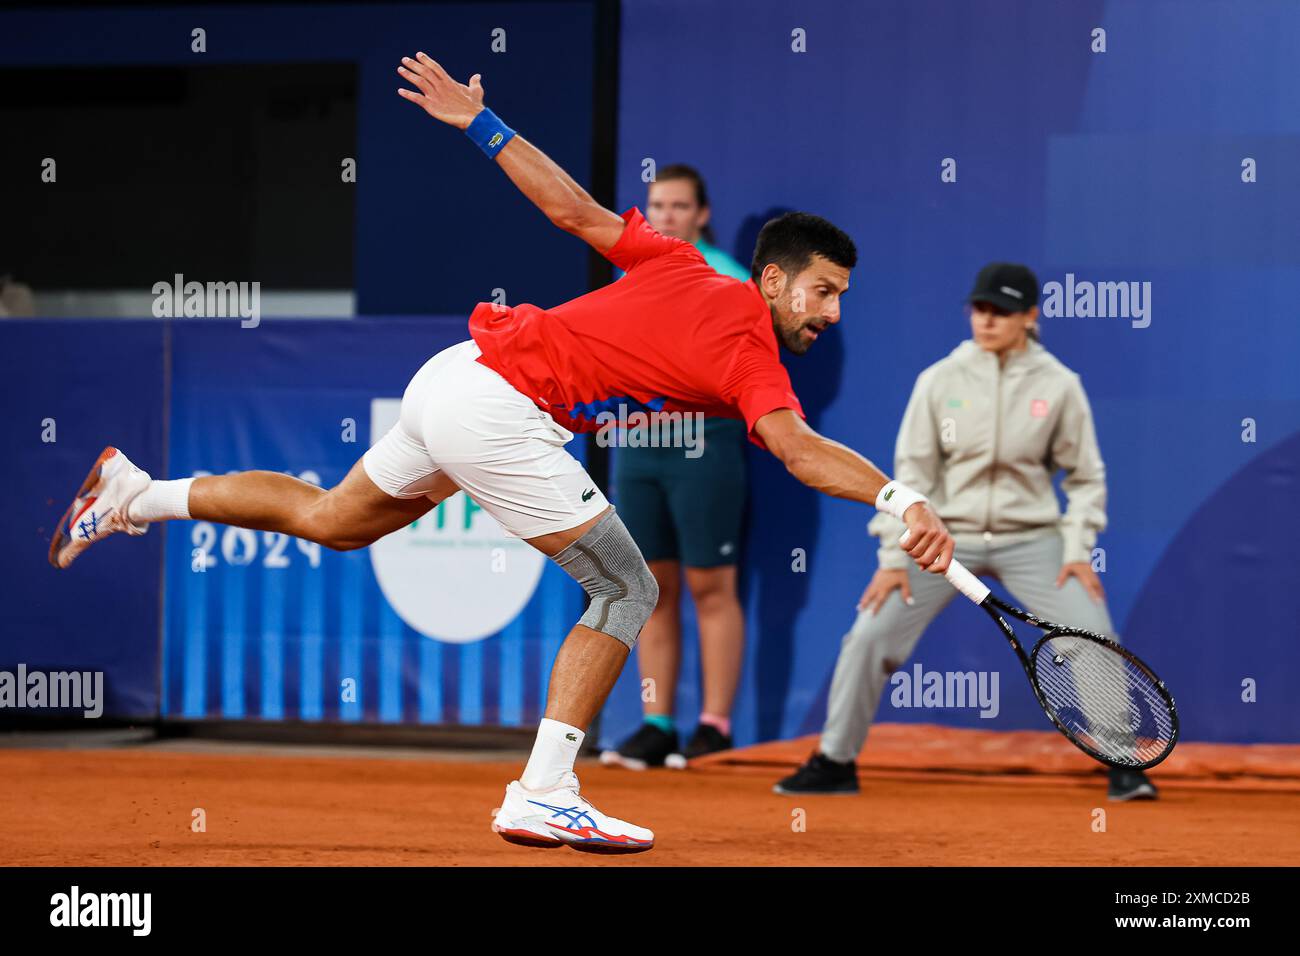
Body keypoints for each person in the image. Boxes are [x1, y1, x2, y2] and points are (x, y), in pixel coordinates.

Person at [49, 53, 956, 854]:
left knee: (333, 520)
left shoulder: (682, 263)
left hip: (456, 374)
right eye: (823, 292)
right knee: (628, 587)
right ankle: (545, 791)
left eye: (840, 298)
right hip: (500, 411)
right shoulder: (748, 342)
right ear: (774, 278)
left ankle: (137, 493)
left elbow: (572, 210)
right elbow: (796, 450)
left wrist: (479, 122)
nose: (830, 312)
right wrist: (902, 500)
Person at [774, 263, 1158, 802]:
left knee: (1092, 635)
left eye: (1002, 311)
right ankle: (835, 760)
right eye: (980, 309)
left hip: (1033, 538)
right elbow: (910, 476)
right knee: (868, 634)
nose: (987, 320)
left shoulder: (1060, 386)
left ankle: (1122, 761)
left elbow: (1087, 478)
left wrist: (1076, 551)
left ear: (1030, 316)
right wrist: (891, 559)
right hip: (942, 538)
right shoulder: (939, 381)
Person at [601, 165, 752, 771]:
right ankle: (657, 723)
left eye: (678, 206)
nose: (665, 216)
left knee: (710, 587)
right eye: (655, 205)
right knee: (648, 587)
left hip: (706, 444)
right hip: (636, 444)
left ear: (702, 214)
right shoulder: (629, 273)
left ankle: (713, 726)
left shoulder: (732, 277)